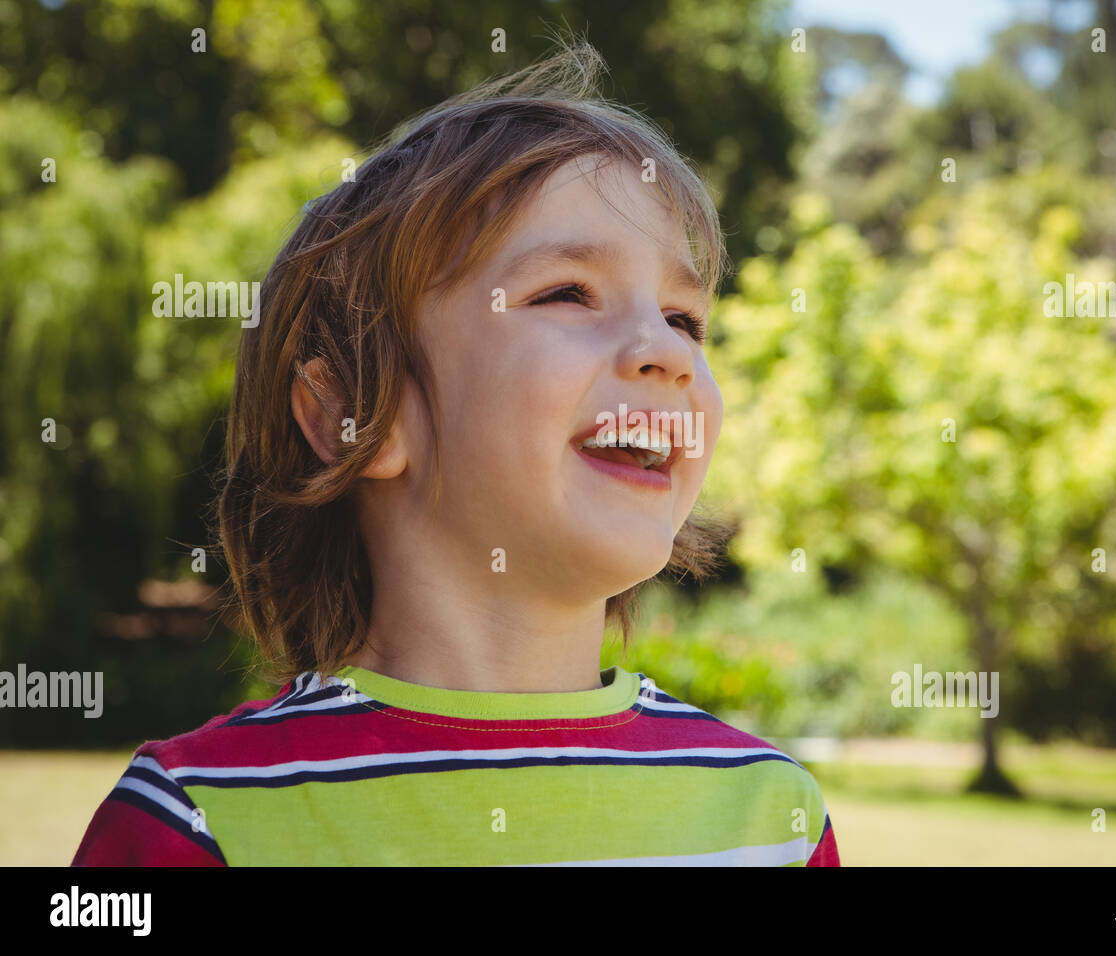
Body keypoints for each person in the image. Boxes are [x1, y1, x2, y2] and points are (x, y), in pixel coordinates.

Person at [72, 39, 840, 867]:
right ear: (355, 414)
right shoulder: (195, 819)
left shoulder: (773, 818)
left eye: (686, 318)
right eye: (568, 293)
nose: (669, 352)